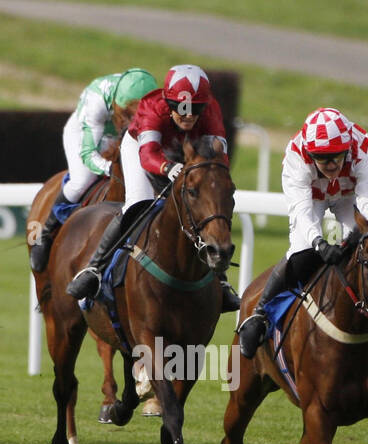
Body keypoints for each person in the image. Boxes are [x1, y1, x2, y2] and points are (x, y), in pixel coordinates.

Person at [65, 64, 241, 312]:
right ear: (169, 103)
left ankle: (220, 281)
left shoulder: (211, 111)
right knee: (139, 204)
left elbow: (219, 156)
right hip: (142, 147)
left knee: (202, 207)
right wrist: (169, 169)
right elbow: (148, 155)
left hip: (185, 150)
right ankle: (94, 269)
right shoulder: (152, 109)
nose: (188, 115)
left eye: (195, 109)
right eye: (181, 108)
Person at [237, 108, 368, 358]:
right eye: (321, 158)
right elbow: (301, 212)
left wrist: (359, 235)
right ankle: (260, 314)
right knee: (301, 252)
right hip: (313, 200)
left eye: (336, 157)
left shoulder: (361, 145)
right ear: (309, 153)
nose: (330, 165)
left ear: (347, 149)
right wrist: (319, 243)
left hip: (348, 196)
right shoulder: (296, 154)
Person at [29, 67, 158, 273]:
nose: (133, 119)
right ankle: (44, 234)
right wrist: (113, 169)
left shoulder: (154, 103)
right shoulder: (97, 101)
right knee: (82, 180)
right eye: (128, 114)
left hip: (122, 134)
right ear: (118, 106)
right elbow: (89, 154)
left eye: (139, 115)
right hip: (84, 131)